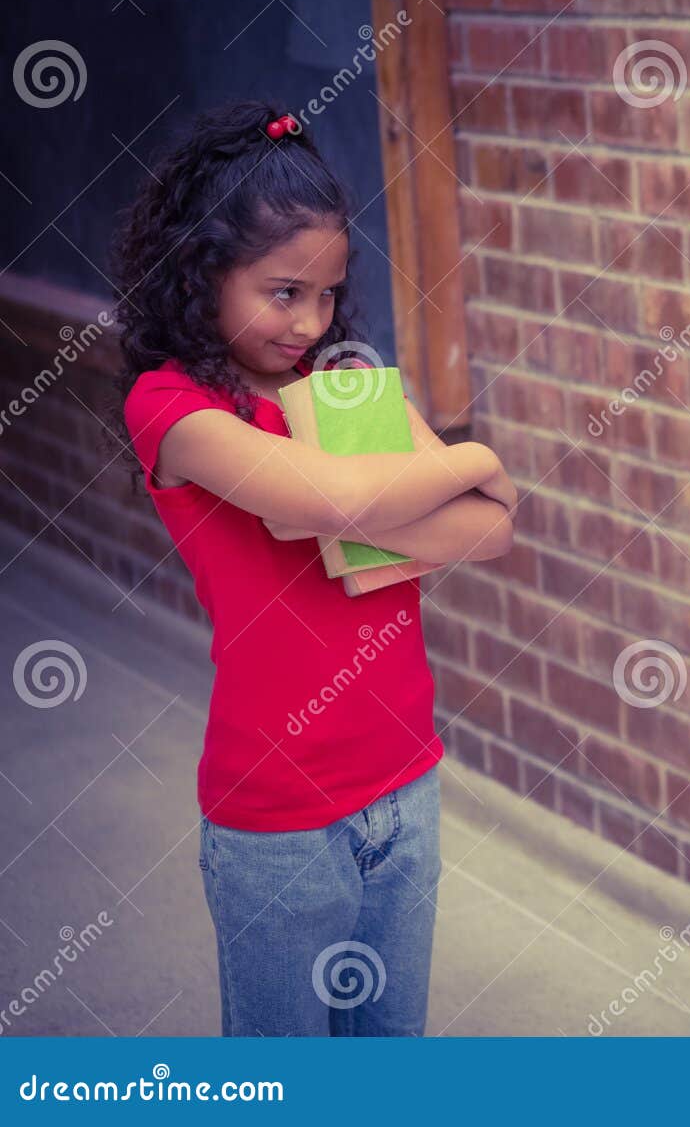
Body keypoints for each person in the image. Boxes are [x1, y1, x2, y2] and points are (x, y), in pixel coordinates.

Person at [112, 100, 516, 1035]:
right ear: (201, 271)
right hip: (279, 813)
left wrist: (389, 504)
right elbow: (328, 502)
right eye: (284, 291)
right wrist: (472, 462)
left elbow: (490, 533)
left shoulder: (342, 385)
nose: (310, 320)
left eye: (328, 293)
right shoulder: (171, 407)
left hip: (405, 780)